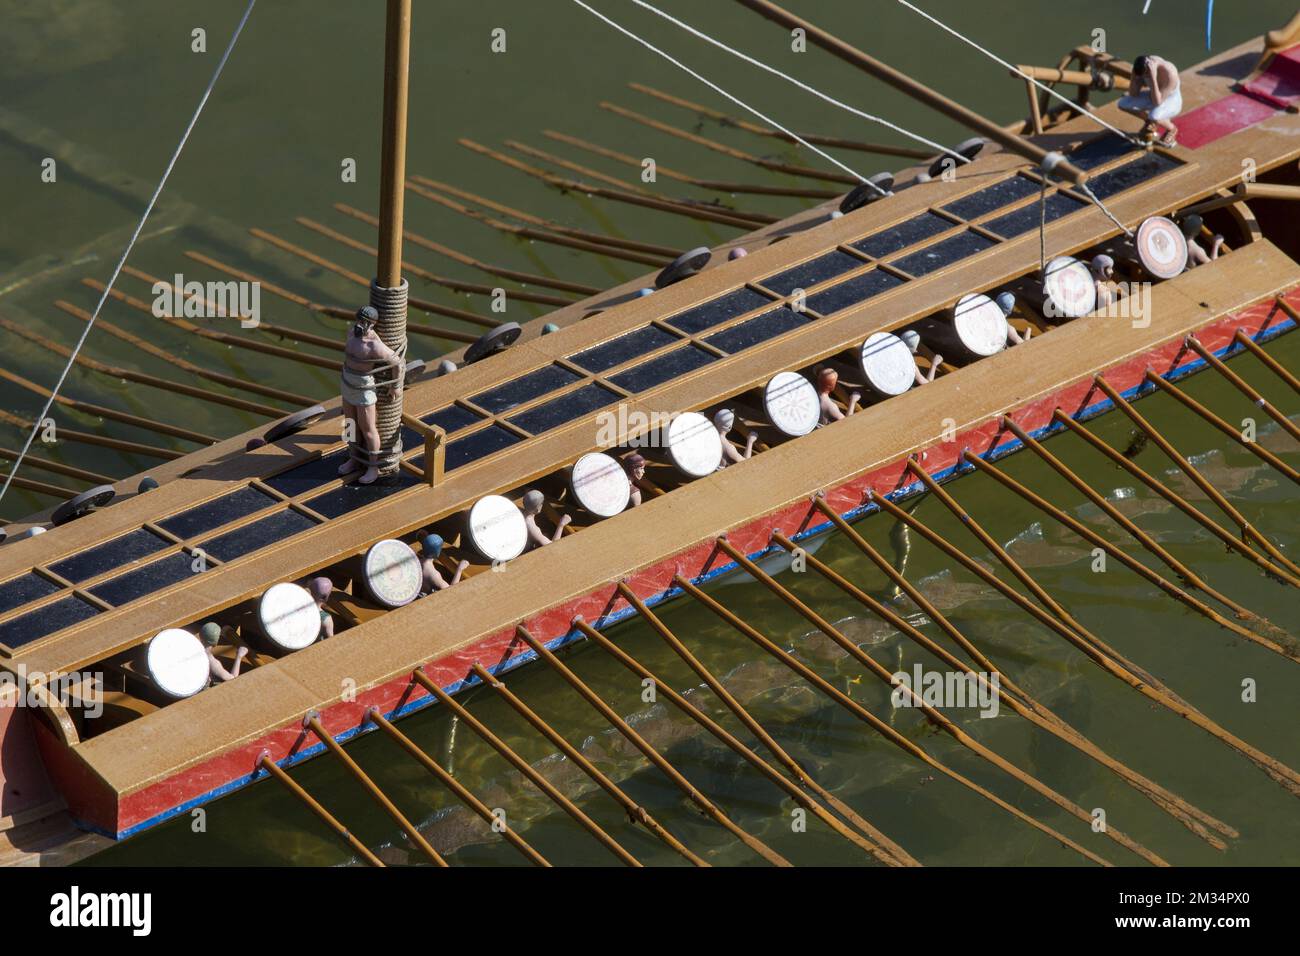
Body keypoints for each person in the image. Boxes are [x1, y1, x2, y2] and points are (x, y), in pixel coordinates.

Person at [339, 306, 404, 485]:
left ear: (372, 324)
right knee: (350, 423)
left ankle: (373, 467)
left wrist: (395, 386)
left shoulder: (375, 345)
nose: (361, 324)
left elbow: (397, 363)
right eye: (359, 319)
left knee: (368, 429)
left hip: (363, 388)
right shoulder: (351, 332)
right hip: (347, 383)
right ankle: (353, 457)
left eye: (365, 321)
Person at [1118, 54, 1182, 146]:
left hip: (1171, 101)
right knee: (1123, 103)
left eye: (1146, 75)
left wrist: (1152, 77)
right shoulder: (1144, 70)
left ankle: (1171, 128)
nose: (1145, 77)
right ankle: (1150, 122)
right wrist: (1133, 75)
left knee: (1154, 116)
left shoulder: (1170, 73)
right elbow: (1133, 94)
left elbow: (1157, 102)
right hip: (1154, 96)